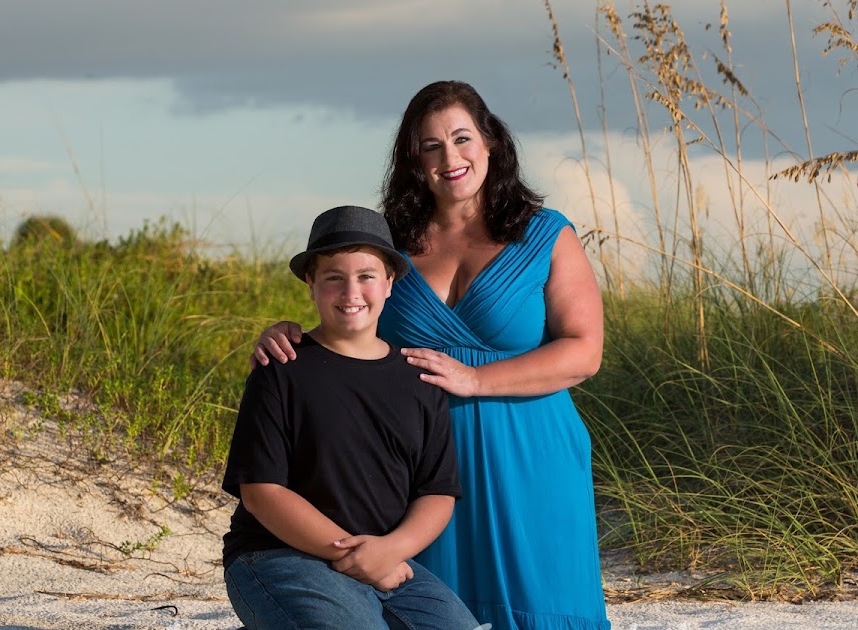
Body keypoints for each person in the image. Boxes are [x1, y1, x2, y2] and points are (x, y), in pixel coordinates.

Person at [253, 81, 609, 629]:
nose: (451, 158)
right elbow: (351, 314)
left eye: (462, 138)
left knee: (545, 607)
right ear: (413, 161)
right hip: (416, 461)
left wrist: (476, 379)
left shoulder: (546, 234)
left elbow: (584, 353)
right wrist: (287, 334)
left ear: (491, 142)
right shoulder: (390, 241)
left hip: (531, 450)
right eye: (431, 146)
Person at [223, 205, 480, 630]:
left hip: (385, 558)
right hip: (279, 553)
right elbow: (262, 492)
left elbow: (437, 492)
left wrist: (389, 550)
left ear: (390, 283)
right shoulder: (282, 368)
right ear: (311, 283)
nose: (351, 292)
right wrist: (353, 555)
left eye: (366, 276)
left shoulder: (419, 380)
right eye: (333, 278)